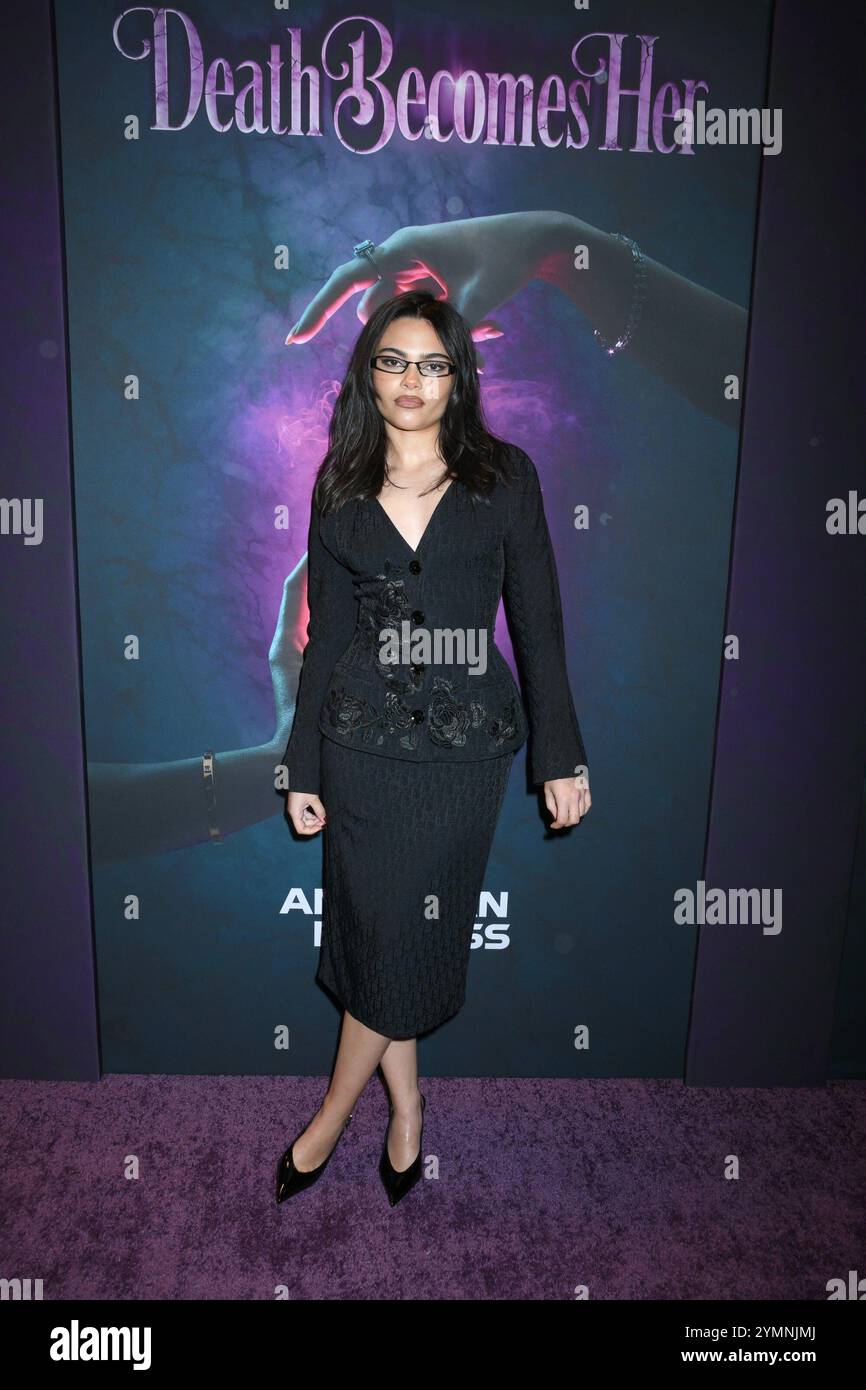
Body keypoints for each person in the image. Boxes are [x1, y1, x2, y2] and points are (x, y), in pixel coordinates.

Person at [275, 289, 592, 1207]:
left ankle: (330, 1117)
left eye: (432, 363)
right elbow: (324, 639)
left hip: (462, 753)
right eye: (393, 361)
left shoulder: (505, 477)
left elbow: (538, 623)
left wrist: (561, 757)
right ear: (367, 373)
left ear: (459, 376)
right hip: (359, 744)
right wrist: (301, 764)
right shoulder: (337, 483)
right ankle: (406, 1112)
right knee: (379, 936)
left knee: (404, 933)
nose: (411, 381)